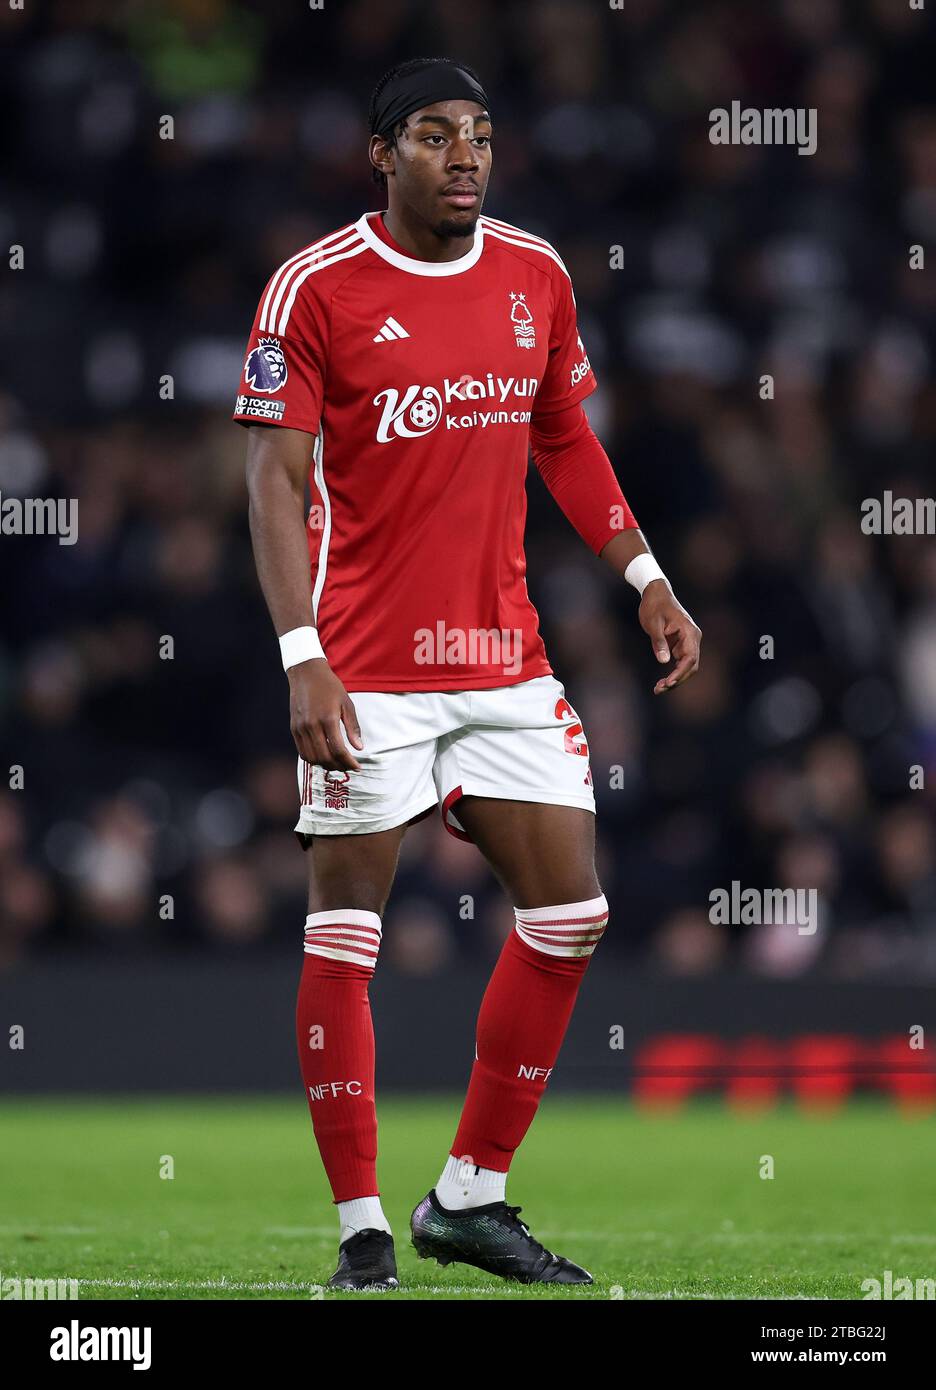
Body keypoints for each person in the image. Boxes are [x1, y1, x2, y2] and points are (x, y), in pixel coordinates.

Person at [235, 56, 701, 1291]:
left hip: (500, 654)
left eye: (481, 136)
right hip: (367, 668)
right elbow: (273, 484)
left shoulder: (535, 274)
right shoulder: (314, 289)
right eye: (436, 136)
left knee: (571, 913)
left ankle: (467, 1197)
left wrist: (643, 571)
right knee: (347, 934)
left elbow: (561, 432)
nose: (466, 157)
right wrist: (304, 658)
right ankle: (361, 1230)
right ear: (381, 153)